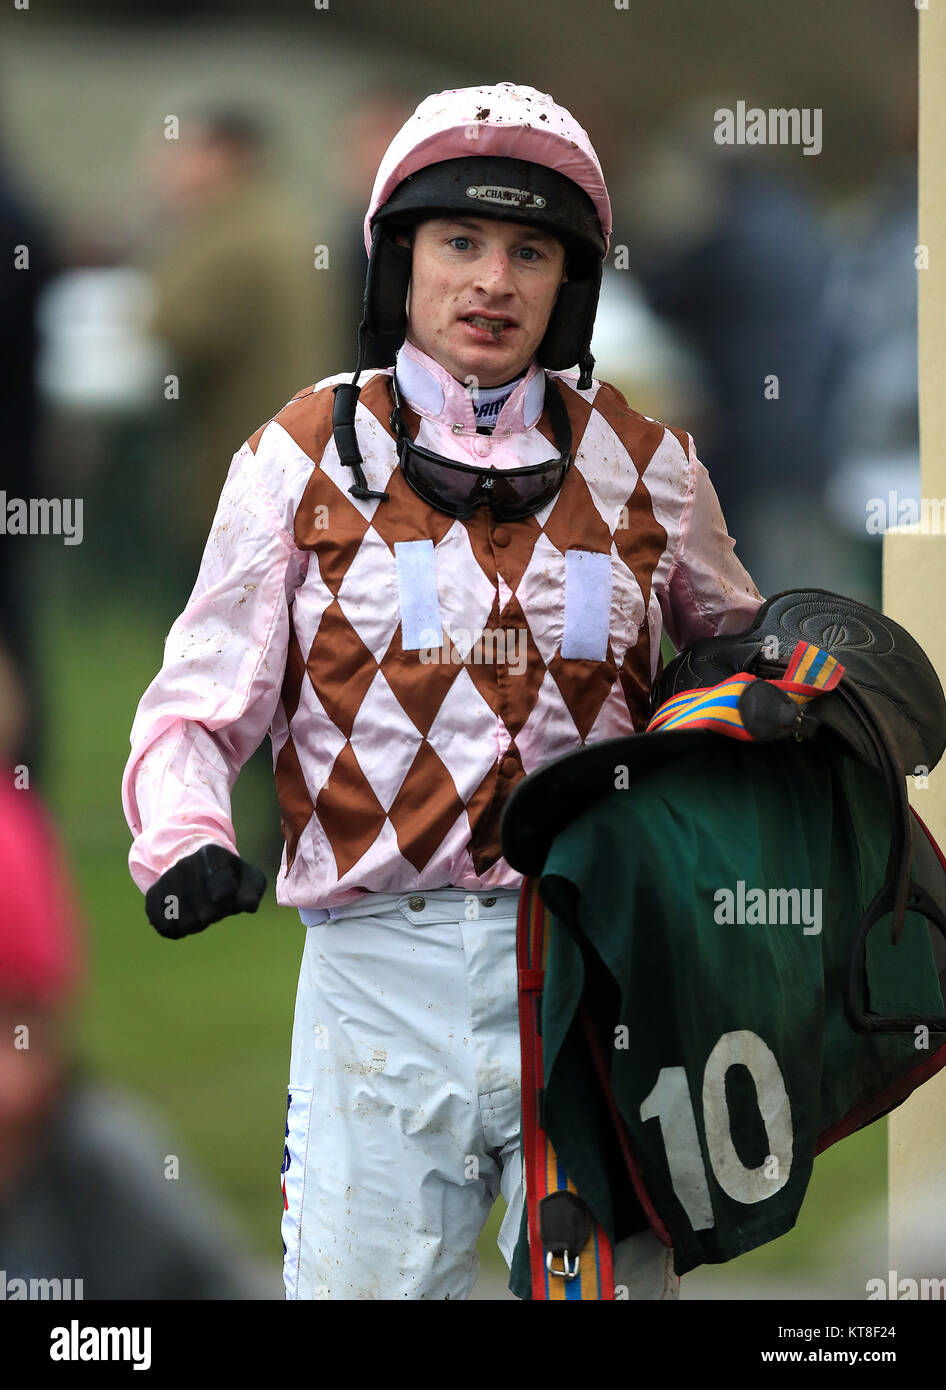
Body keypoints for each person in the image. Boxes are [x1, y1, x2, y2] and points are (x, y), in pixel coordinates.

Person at [121, 82, 764, 1301]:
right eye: (459, 241)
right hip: (373, 984)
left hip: (593, 972)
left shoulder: (654, 468)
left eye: (530, 251)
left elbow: (735, 661)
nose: (492, 280)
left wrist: (790, 692)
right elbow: (192, 709)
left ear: (569, 285)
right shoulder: (293, 461)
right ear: (397, 264)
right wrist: (185, 838)